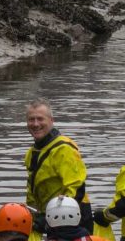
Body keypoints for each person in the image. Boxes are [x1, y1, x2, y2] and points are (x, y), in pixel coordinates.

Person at [24, 98, 93, 233]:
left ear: (51, 120)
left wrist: (57, 214)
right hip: (49, 216)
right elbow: (31, 190)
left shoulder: (64, 148)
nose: (35, 124)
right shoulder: (31, 153)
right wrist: (31, 215)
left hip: (73, 215)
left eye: (40, 119)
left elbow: (76, 187)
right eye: (31, 119)